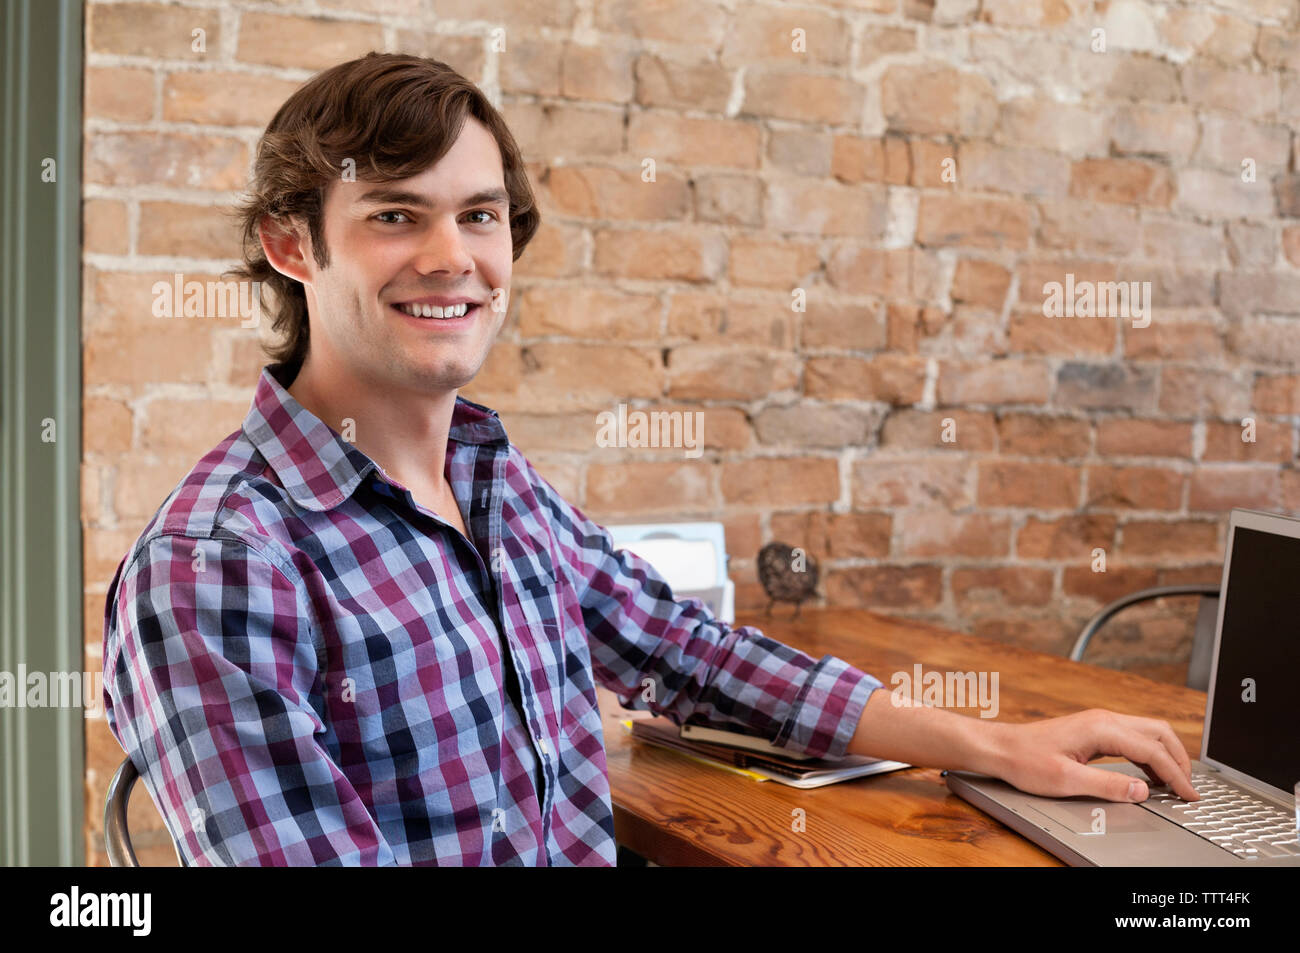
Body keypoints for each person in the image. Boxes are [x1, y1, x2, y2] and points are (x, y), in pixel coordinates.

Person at [102, 52, 1198, 867]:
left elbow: (686, 653)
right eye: (396, 215)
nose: (453, 257)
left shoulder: (494, 479)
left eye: (479, 216)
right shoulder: (214, 566)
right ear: (292, 244)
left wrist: (992, 743)